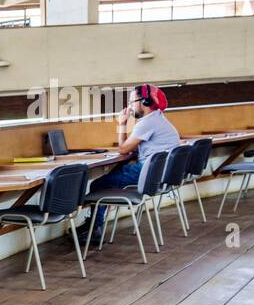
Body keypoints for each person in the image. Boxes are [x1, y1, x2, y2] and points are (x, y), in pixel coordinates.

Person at [77, 83, 182, 245]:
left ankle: (94, 229)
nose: (130, 106)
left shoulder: (147, 122)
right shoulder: (158, 119)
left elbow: (123, 150)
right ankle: (93, 226)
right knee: (111, 178)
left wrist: (121, 124)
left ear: (145, 102)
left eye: (133, 101)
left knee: (99, 185)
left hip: (147, 173)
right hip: (159, 174)